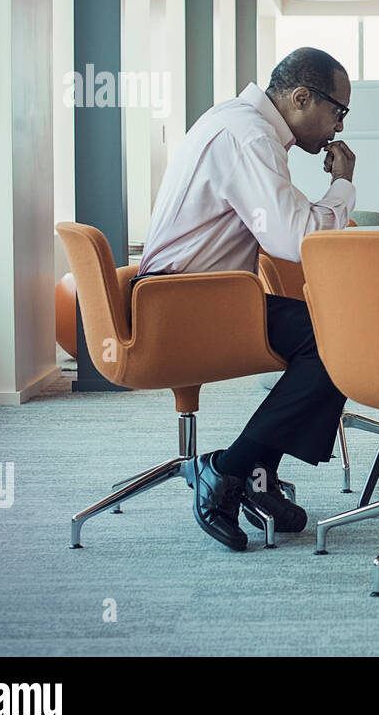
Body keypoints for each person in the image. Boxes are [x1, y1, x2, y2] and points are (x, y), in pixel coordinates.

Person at [136, 47, 356, 551]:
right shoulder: (248, 136)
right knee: (337, 341)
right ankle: (230, 471)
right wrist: (342, 186)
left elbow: (283, 224)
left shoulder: (242, 125)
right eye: (337, 111)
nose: (338, 128)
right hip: (181, 307)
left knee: (335, 337)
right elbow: (298, 238)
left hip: (203, 298)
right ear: (301, 98)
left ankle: (254, 473)